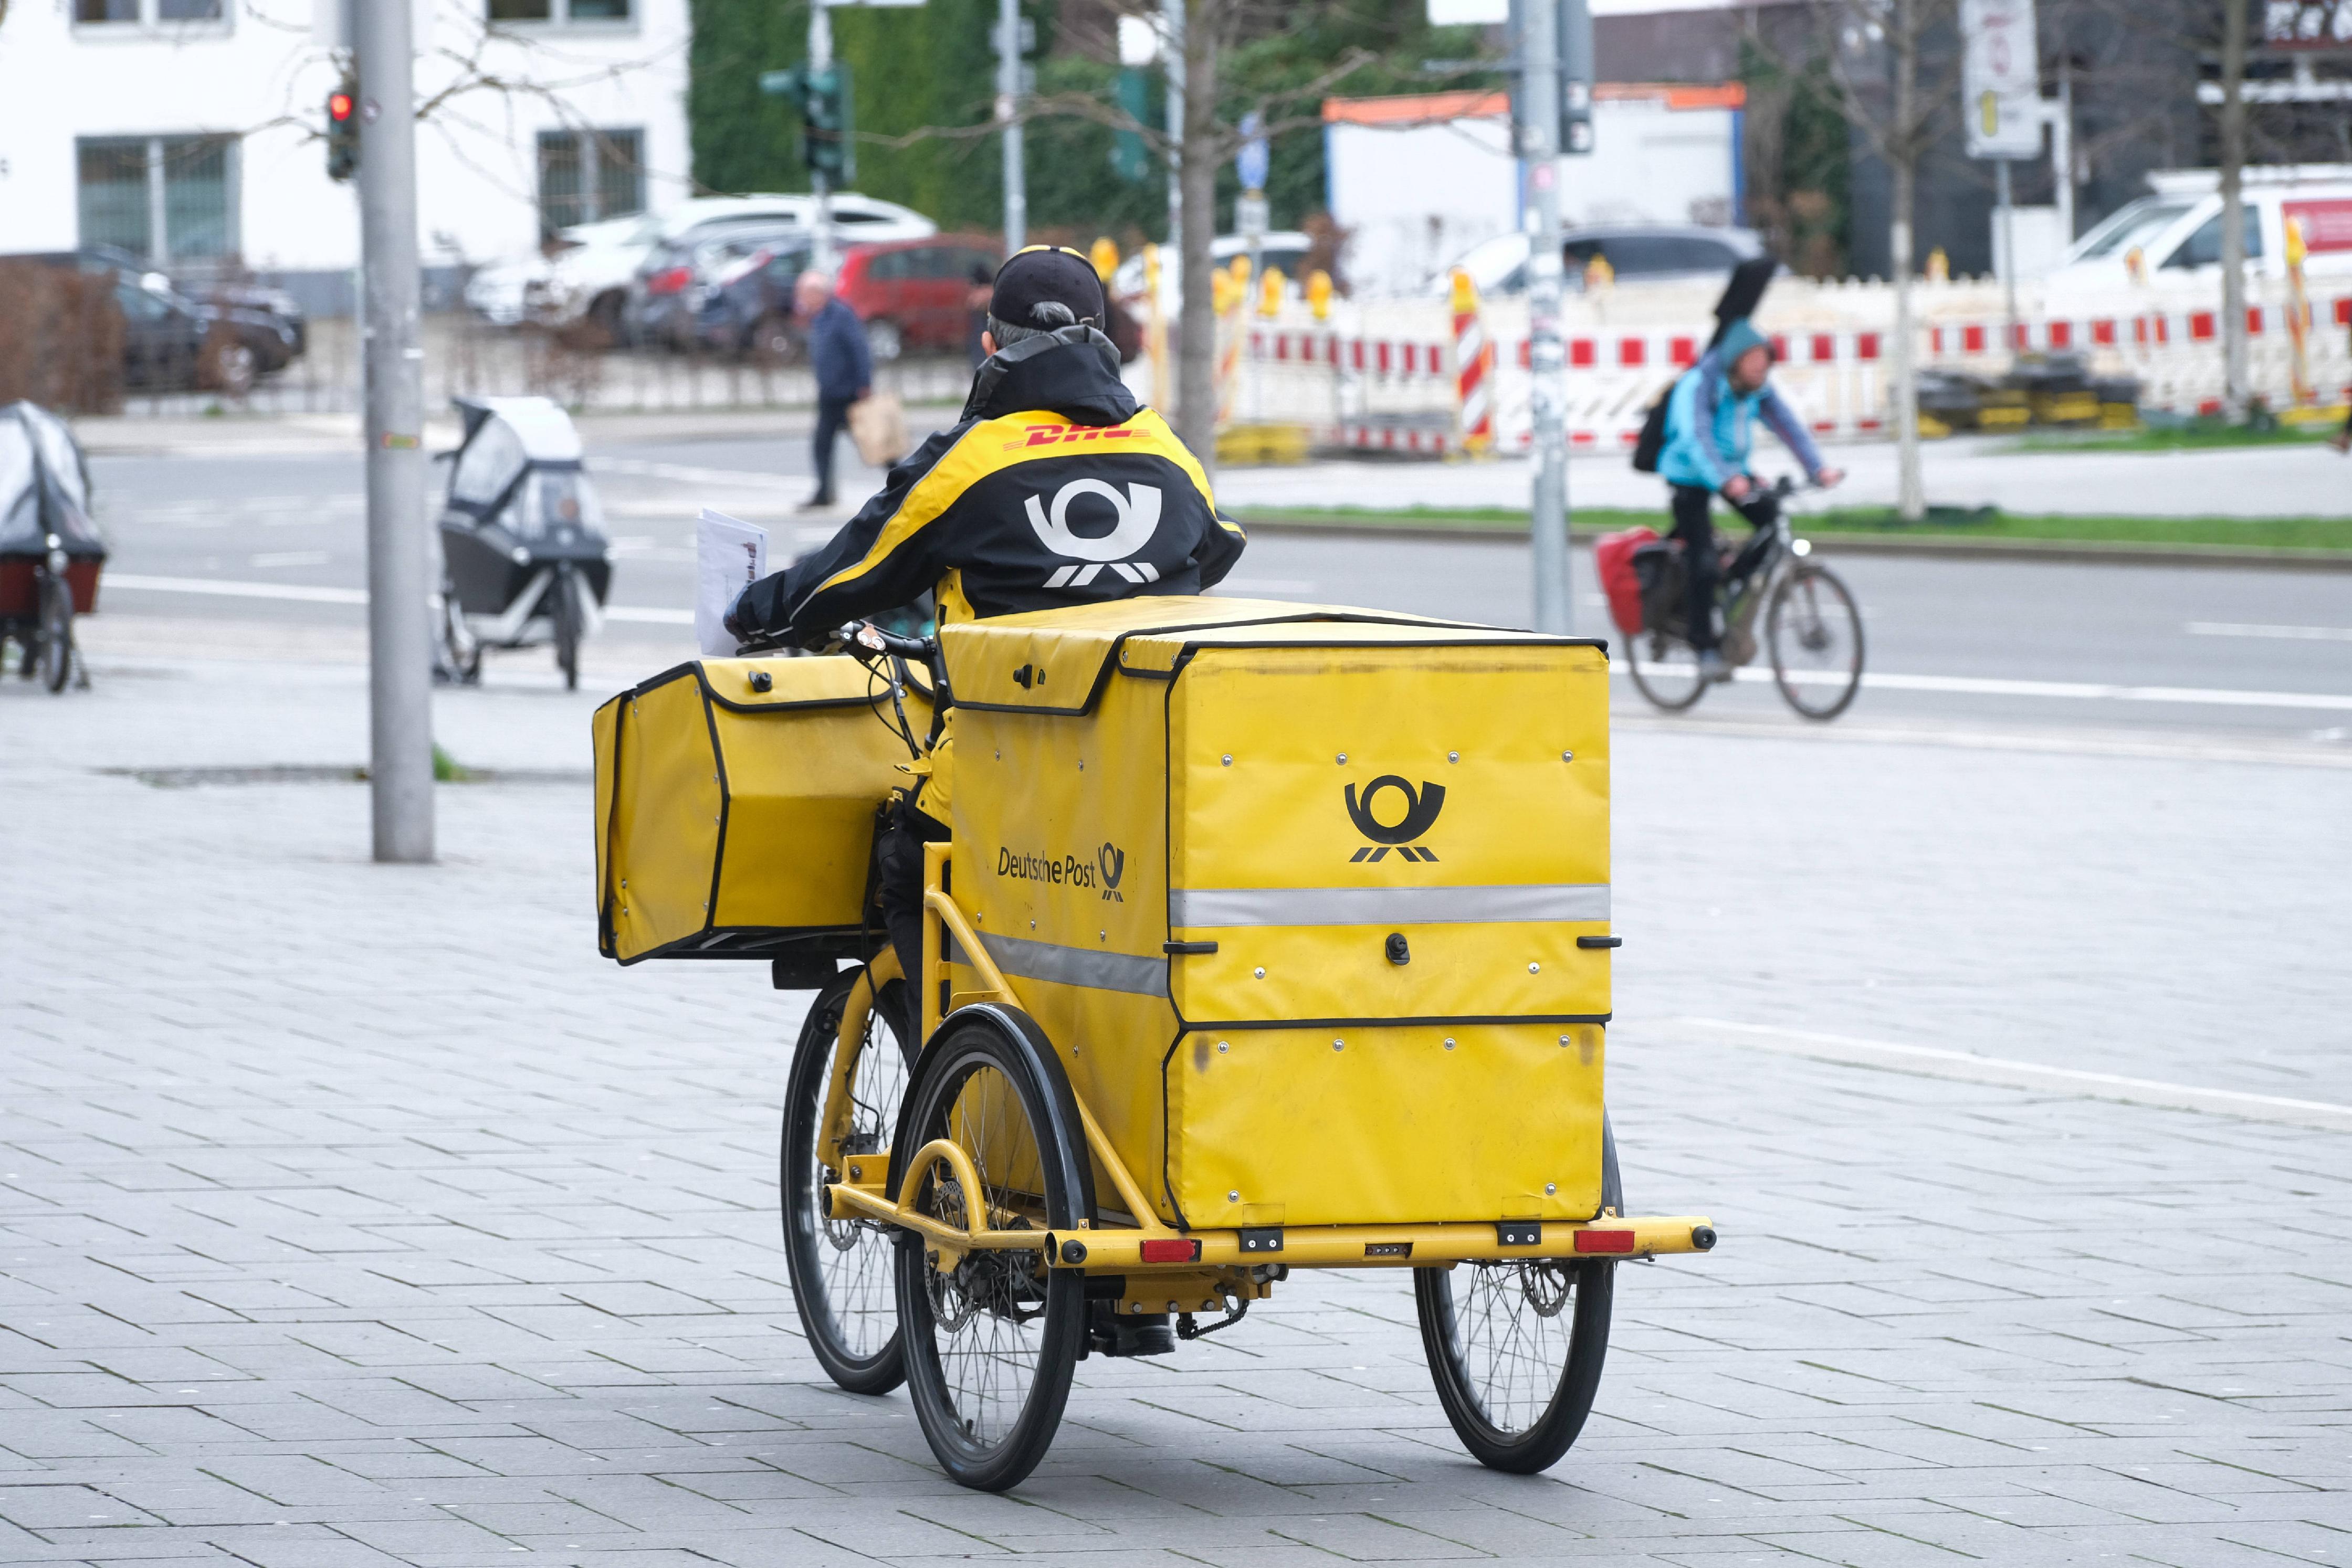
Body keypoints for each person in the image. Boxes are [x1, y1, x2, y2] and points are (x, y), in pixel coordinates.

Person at [728, 245, 1245, 1360]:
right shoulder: (1164, 450)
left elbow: (855, 568)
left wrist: (759, 608)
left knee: (903, 881)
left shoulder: (974, 457)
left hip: (997, 791)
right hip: (1146, 793)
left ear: (989, 344)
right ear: (1104, 337)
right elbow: (1214, 553)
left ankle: (966, 1120)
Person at [1657, 318, 1843, 681]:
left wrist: (1818, 468)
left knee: (1772, 518)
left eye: (1766, 359)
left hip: (1733, 473)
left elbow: (1788, 425)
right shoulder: (1699, 385)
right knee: (1703, 560)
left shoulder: (1756, 388)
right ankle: (1704, 645)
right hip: (1689, 475)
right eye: (1754, 359)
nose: (1763, 367)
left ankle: (1733, 580)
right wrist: (1728, 478)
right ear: (1734, 360)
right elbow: (1696, 439)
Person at [798, 269, 872, 510]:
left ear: (819, 294)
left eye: (805, 294)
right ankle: (824, 493)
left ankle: (903, 478)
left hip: (847, 392)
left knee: (873, 440)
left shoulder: (840, 315)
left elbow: (859, 348)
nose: (801, 299)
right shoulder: (819, 318)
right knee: (823, 443)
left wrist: (864, 382)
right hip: (829, 394)